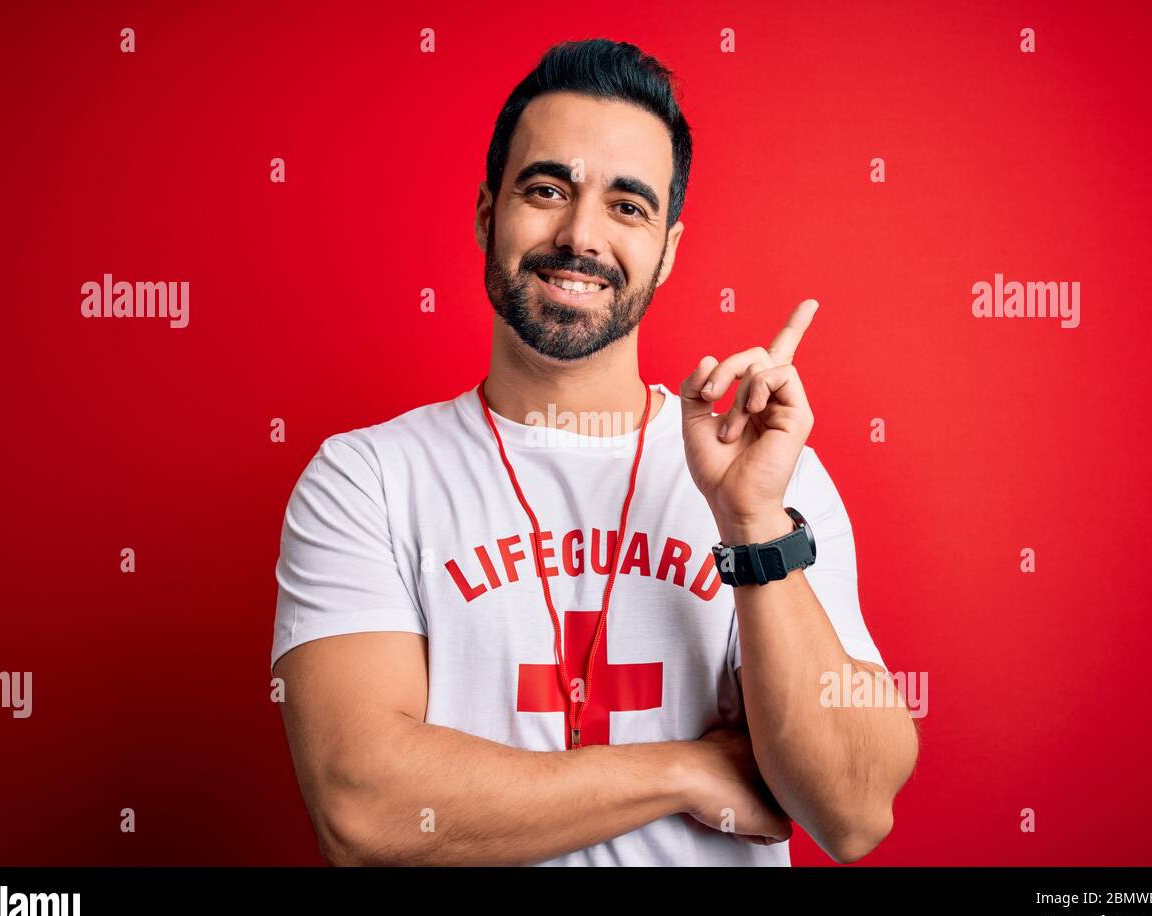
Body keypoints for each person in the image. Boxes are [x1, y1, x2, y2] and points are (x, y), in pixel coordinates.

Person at [271, 38, 917, 866]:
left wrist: (753, 525)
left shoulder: (772, 478)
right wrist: (685, 772)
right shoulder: (364, 480)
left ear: (669, 251)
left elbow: (855, 811)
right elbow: (363, 809)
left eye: (628, 206)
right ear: (485, 214)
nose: (580, 236)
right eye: (547, 190)